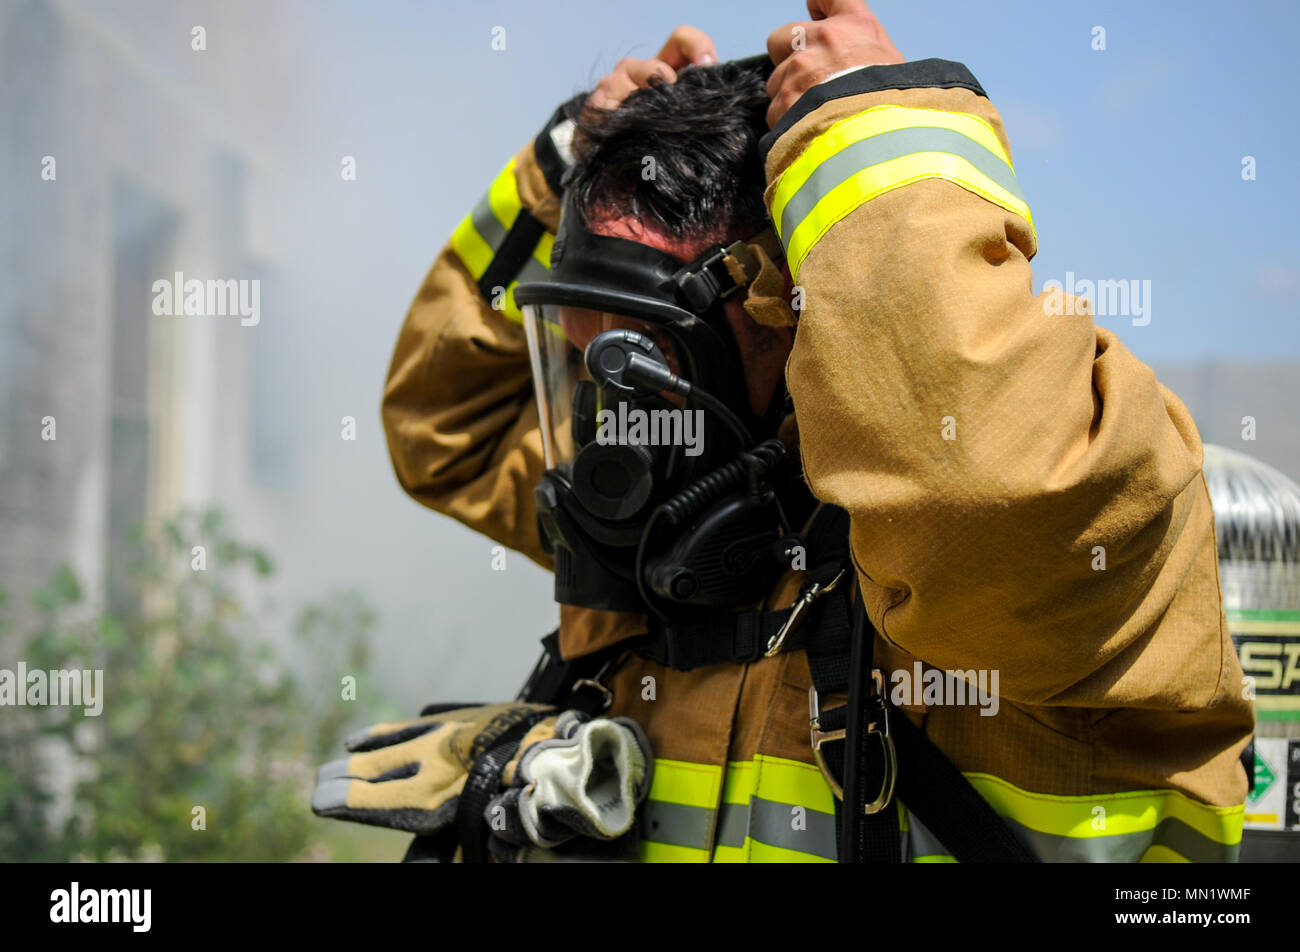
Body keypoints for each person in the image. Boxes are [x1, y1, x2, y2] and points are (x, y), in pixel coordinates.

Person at [322, 1, 1253, 863]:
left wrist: (870, 139)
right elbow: (450, 431)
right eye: (577, 357)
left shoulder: (1065, 508)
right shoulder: (666, 524)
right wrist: (559, 165)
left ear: (783, 308)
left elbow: (984, 490)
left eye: (639, 365)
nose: (610, 429)